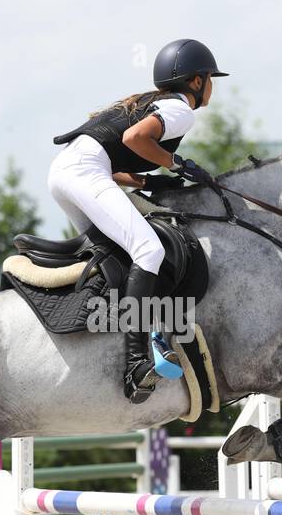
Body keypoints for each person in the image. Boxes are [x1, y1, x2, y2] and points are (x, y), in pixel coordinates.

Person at [49, 38, 227, 402]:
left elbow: (114, 162)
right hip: (84, 173)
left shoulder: (149, 101)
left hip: (66, 174)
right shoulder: (181, 109)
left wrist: (148, 181)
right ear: (196, 81)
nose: (212, 86)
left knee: (115, 255)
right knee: (147, 249)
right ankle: (135, 361)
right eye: (211, 78)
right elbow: (135, 138)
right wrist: (176, 163)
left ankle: (122, 331)